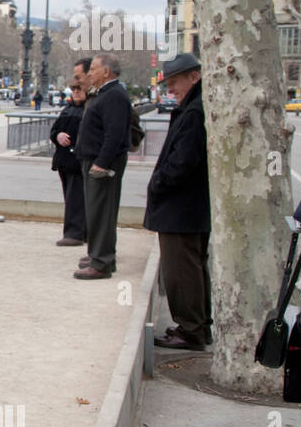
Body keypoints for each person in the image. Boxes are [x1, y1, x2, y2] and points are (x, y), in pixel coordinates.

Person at [145, 53, 212, 350]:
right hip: (187, 208)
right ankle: (196, 326)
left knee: (181, 270)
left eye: (174, 84)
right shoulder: (195, 108)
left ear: (193, 77)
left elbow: (183, 162)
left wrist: (159, 182)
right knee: (192, 267)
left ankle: (191, 329)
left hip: (181, 209)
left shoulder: (195, 112)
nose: (171, 91)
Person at [73, 53, 132, 279]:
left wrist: (101, 163)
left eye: (93, 70)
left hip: (102, 164)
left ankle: (102, 262)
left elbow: (114, 134)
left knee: (102, 212)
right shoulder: (107, 93)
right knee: (95, 211)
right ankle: (97, 254)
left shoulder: (114, 95)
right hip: (94, 160)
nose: (89, 74)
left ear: (106, 72)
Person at [50, 82, 87, 247]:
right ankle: (77, 231)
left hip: (77, 161)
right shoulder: (68, 109)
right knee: (70, 197)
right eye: (74, 90)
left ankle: (75, 233)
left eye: (79, 90)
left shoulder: (88, 110)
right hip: (65, 160)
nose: (76, 93)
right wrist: (58, 136)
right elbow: (54, 130)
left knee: (76, 198)